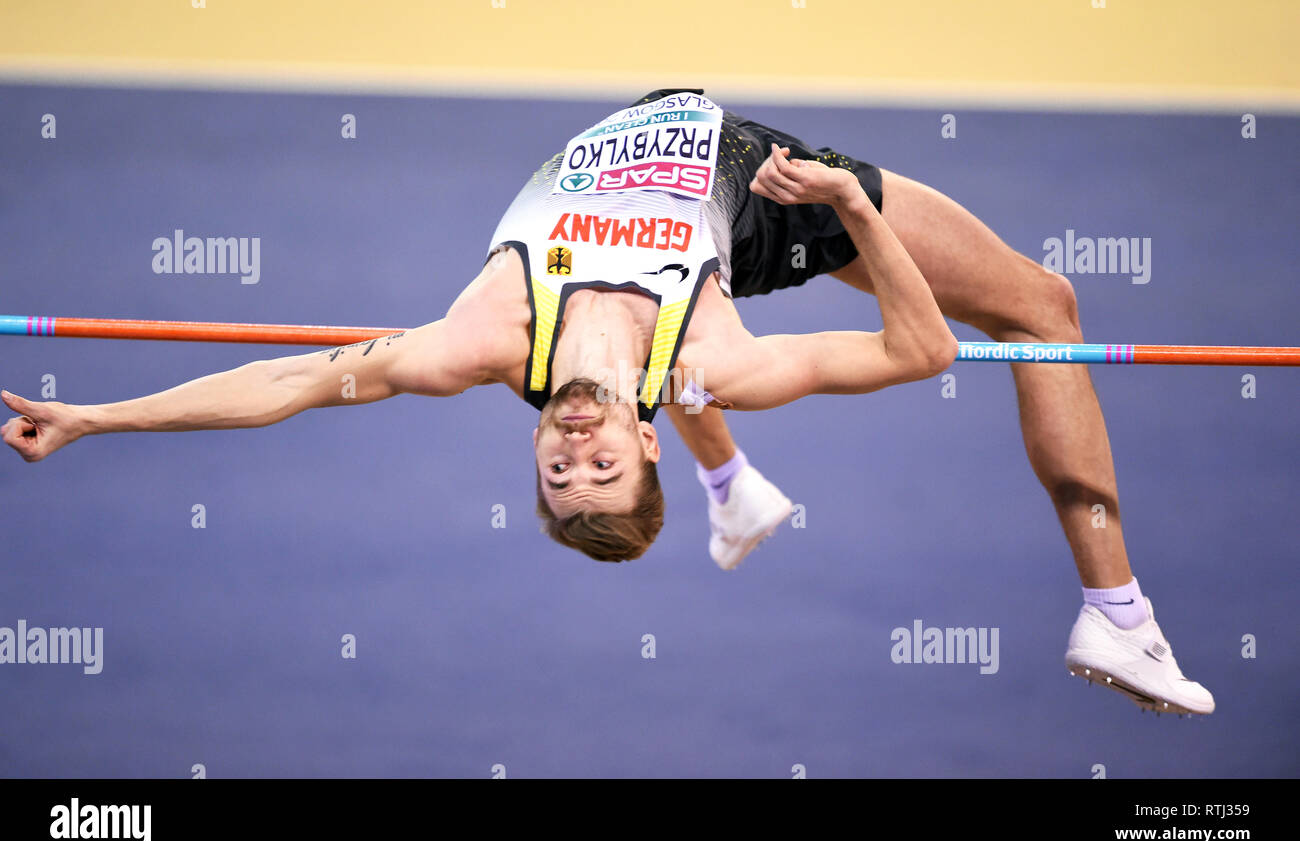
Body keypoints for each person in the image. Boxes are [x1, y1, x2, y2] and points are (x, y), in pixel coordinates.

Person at [1, 88, 1210, 714]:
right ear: (642, 442)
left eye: (554, 472)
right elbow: (922, 348)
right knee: (1043, 309)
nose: (573, 451)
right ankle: (1117, 612)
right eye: (601, 468)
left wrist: (97, 416)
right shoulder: (716, 360)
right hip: (762, 185)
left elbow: (284, 383)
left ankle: (729, 489)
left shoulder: (475, 342)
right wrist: (844, 204)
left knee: (644, 354)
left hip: (655, 136)